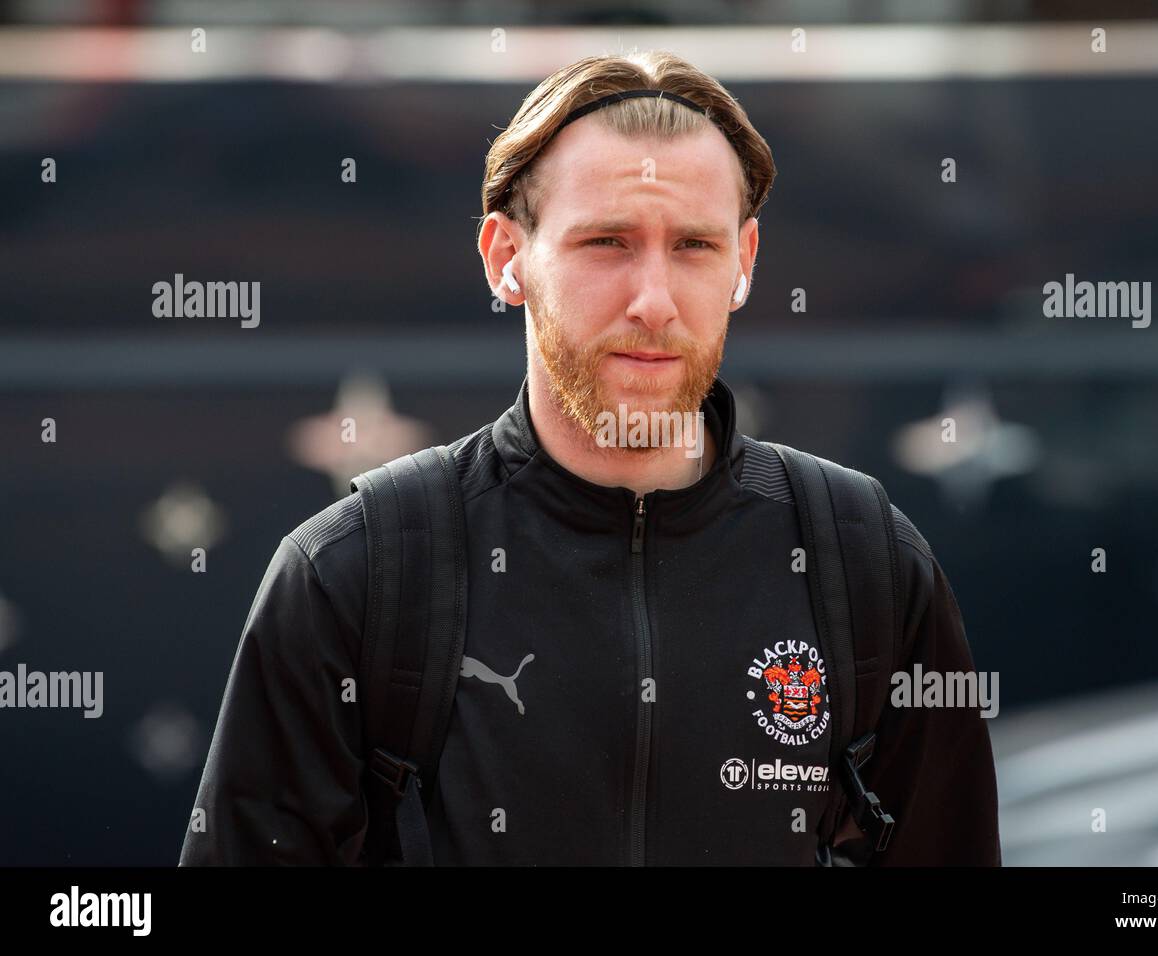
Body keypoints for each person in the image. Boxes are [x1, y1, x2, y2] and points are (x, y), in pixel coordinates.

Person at [179, 49, 1000, 866]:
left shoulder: (865, 562)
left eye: (694, 247)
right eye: (607, 242)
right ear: (507, 259)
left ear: (745, 264)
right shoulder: (353, 575)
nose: (652, 301)